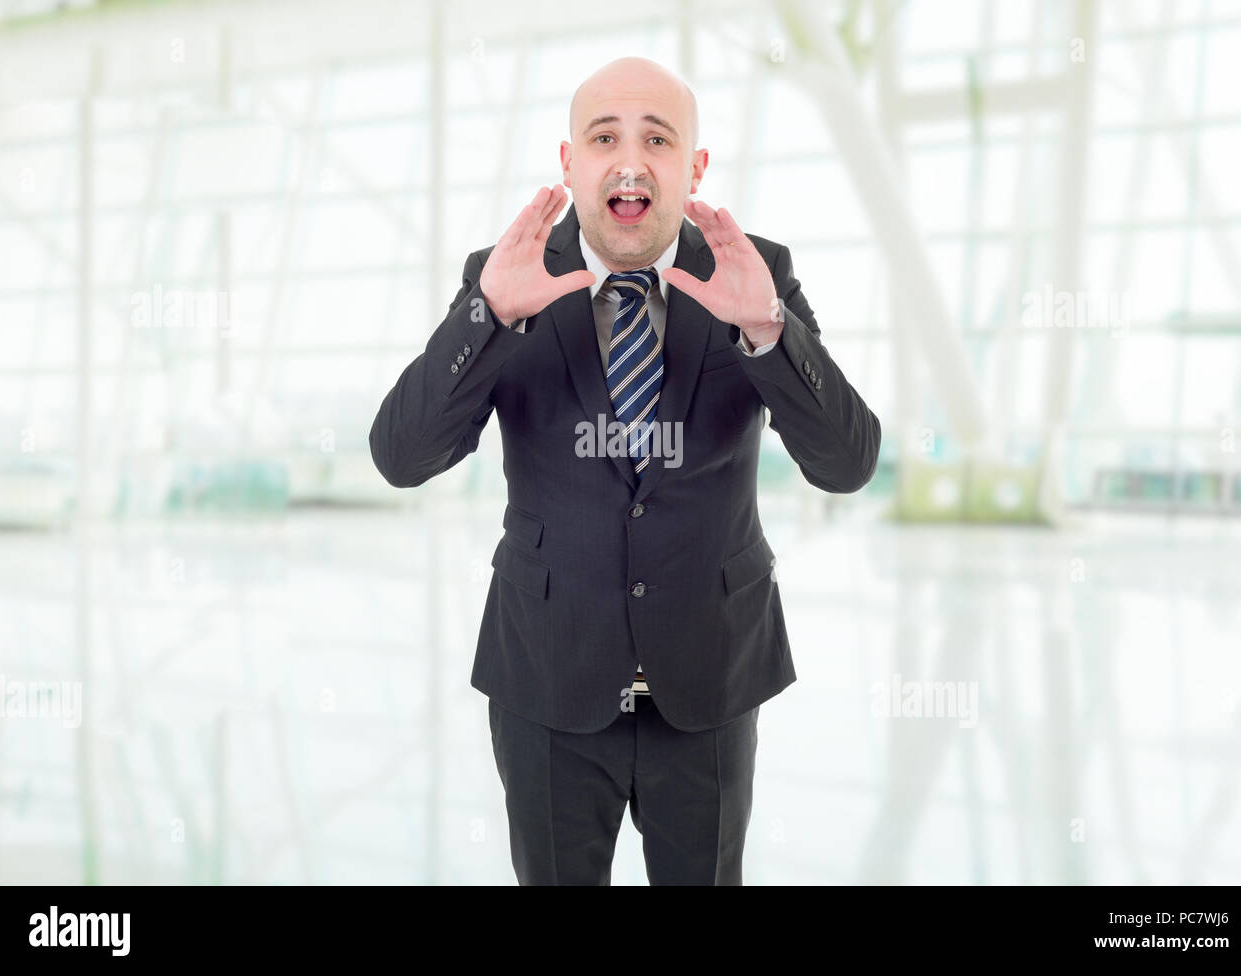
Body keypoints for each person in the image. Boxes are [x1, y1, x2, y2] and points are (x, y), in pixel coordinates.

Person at [369, 56, 881, 884]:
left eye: (658, 138)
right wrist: (488, 317)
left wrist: (769, 330)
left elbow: (847, 463)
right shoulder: (506, 277)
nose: (631, 159)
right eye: (604, 137)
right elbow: (401, 456)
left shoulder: (754, 274)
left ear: (695, 166)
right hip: (548, 680)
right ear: (570, 163)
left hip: (709, 680)